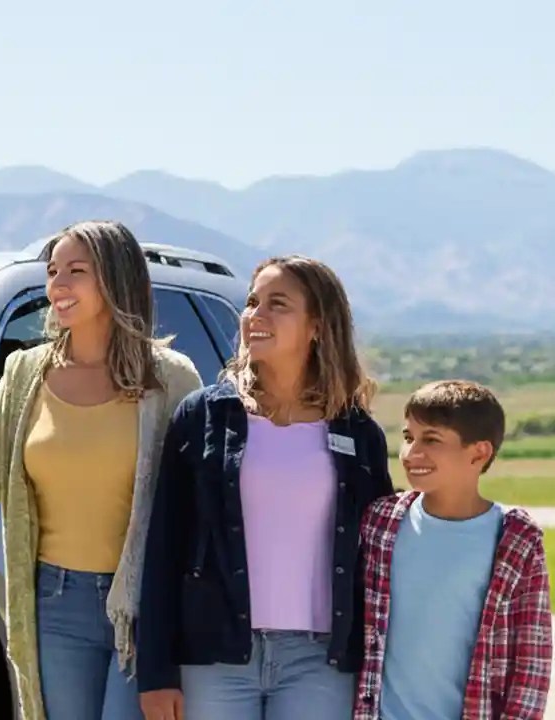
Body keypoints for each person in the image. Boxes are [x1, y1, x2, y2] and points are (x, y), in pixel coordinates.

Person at [0, 220, 204, 720]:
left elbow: (196, 511)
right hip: (53, 604)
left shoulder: (171, 379)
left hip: (143, 607)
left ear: (116, 277)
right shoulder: (25, 373)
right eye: (53, 272)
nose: (58, 285)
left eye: (76, 271)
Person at [137, 255, 395, 720]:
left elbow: (378, 561)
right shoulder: (202, 417)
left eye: (278, 304)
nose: (256, 314)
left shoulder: (359, 434)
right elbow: (163, 548)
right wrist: (156, 672)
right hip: (214, 657)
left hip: (319, 661)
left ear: (317, 325)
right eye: (253, 301)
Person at [352, 380, 553, 720]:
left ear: (479, 453)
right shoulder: (381, 522)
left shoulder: (514, 538)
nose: (412, 453)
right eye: (408, 437)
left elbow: (531, 663)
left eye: (431, 439)